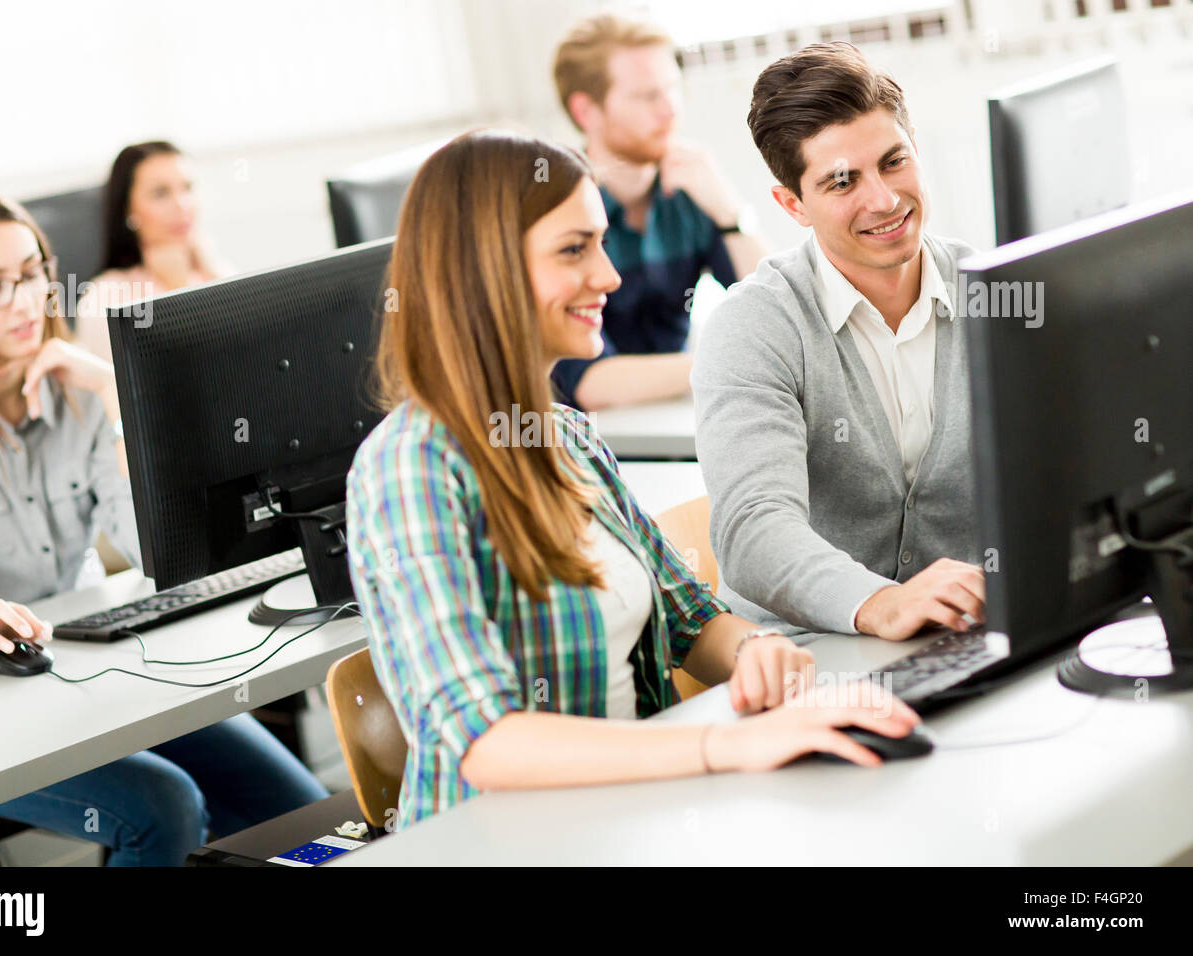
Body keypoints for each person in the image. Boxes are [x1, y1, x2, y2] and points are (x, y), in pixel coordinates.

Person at [345, 130, 919, 829]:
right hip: (507, 843)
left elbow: (689, 622)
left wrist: (758, 655)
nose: (610, 277)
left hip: (635, 818)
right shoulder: (410, 467)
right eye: (573, 249)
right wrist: (725, 745)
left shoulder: (567, 437)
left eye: (602, 243)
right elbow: (485, 742)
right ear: (482, 272)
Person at [0, 189, 326, 865]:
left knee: (304, 813)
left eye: (33, 273)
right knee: (164, 809)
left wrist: (112, 393)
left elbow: (155, 551)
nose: (24, 300)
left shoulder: (76, 396)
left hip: (89, 680)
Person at [693, 43, 985, 643]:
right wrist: (882, 603)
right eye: (841, 182)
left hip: (965, 638)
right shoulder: (754, 327)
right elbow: (754, 530)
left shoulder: (997, 293)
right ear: (792, 204)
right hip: (810, 656)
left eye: (894, 161)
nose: (882, 199)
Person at [548, 14, 770, 411]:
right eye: (647, 96)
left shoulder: (690, 191)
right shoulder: (551, 211)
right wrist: (731, 362)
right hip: (589, 439)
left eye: (672, 89)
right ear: (586, 112)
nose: (669, 110)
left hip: (676, 412)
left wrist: (728, 212)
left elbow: (772, 313)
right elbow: (591, 383)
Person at [75, 141, 229, 363]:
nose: (182, 204)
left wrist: (212, 272)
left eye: (187, 188)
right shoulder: (105, 299)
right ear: (127, 209)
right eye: (160, 194)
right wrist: (179, 287)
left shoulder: (213, 269)